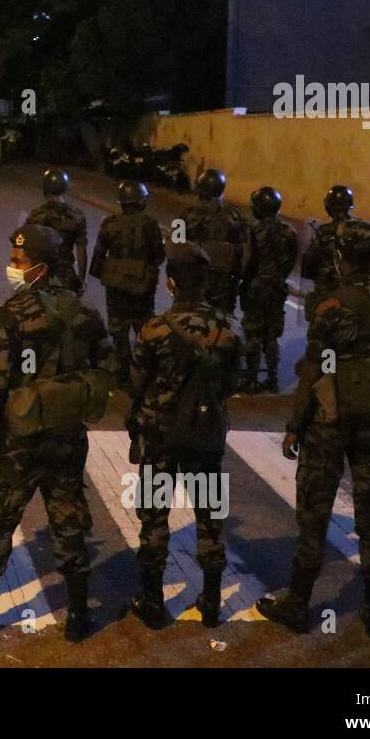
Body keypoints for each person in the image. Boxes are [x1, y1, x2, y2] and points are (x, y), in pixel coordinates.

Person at [257, 220, 370, 639]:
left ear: (341, 258)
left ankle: (298, 604)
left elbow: (314, 368)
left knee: (314, 514)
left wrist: (294, 424)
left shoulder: (329, 307)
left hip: (328, 422)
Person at [0, 224, 112, 642]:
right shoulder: (85, 311)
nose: (12, 268)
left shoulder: (15, 314)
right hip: (65, 435)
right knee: (67, 517)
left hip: (18, 438)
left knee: (0, 521)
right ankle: (78, 614)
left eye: (19, 262)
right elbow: (108, 364)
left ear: (40, 268)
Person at [124, 242, 242, 629]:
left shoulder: (154, 329)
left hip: (160, 438)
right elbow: (231, 384)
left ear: (170, 283)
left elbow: (137, 384)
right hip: (206, 438)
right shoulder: (228, 330)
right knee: (209, 518)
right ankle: (211, 602)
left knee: (154, 519)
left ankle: (153, 602)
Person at [90, 180, 164, 386]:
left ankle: (122, 373)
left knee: (118, 330)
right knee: (144, 328)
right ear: (141, 202)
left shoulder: (109, 223)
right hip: (142, 286)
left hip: (115, 284)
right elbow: (158, 255)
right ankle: (144, 369)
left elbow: (98, 254)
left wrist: (98, 274)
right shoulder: (150, 224)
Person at [240, 186, 298, 394]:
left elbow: (247, 260)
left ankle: (252, 377)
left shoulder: (255, 231)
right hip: (277, 286)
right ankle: (273, 377)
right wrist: (280, 277)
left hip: (257, 286)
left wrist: (242, 280)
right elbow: (292, 258)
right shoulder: (288, 230)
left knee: (253, 332)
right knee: (271, 333)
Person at [184, 168, 250, 315]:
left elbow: (174, 247)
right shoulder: (235, 215)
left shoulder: (186, 214)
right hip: (224, 282)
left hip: (194, 280)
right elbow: (246, 251)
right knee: (222, 324)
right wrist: (238, 277)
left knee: (192, 321)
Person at [301, 184, 366, 317]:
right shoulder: (365, 230)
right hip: (356, 291)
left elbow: (310, 263)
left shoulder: (323, 231)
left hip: (327, 291)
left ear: (328, 207)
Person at [24, 168, 88, 292]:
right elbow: (81, 251)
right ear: (65, 188)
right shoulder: (76, 216)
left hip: (41, 276)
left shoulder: (35, 216)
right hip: (65, 275)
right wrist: (81, 279)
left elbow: (26, 250)